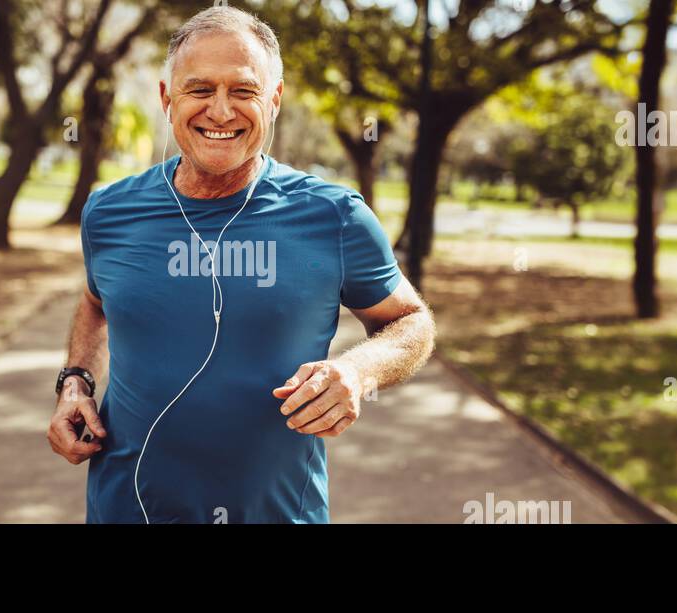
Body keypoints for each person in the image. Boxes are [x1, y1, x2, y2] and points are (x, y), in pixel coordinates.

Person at [47, 5, 436, 523]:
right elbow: (96, 302)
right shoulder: (109, 212)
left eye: (244, 90)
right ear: (168, 99)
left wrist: (355, 371)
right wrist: (76, 384)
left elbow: (412, 321)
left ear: (273, 101)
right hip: (124, 507)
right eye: (200, 90)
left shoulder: (335, 216)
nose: (221, 111)